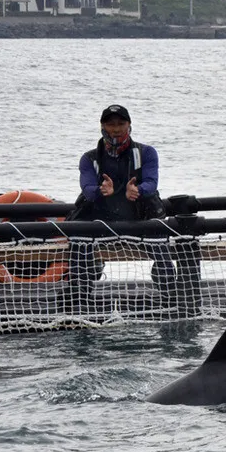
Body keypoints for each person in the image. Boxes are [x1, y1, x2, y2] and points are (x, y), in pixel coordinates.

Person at [66, 105, 180, 310]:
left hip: (140, 220)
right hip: (100, 222)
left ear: (129, 125)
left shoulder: (147, 153)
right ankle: (79, 299)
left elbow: (152, 182)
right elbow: (87, 188)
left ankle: (172, 299)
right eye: (111, 124)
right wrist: (101, 191)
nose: (116, 129)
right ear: (102, 126)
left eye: (121, 124)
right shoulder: (89, 158)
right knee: (78, 242)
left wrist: (137, 190)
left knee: (162, 246)